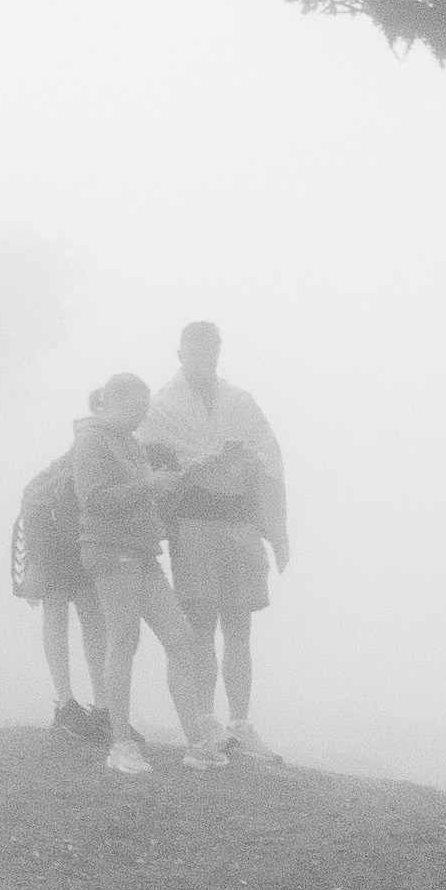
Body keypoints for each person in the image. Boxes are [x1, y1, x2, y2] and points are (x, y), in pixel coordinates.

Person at [143, 316, 287, 762]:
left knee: (240, 625)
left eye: (212, 352)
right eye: (196, 351)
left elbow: (269, 459)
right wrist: (198, 463)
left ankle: (240, 722)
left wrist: (278, 530)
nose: (204, 360)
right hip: (194, 522)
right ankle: (205, 723)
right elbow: (154, 463)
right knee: (200, 627)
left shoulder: (241, 402)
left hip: (241, 522)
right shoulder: (162, 405)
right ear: (181, 353)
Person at [63, 373, 216, 773]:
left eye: (144, 410)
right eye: (136, 409)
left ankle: (196, 742)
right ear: (112, 402)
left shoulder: (129, 442)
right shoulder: (91, 440)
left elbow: (140, 493)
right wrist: (149, 485)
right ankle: (121, 744)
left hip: (142, 552)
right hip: (110, 552)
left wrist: (170, 485)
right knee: (125, 639)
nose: (141, 416)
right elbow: (92, 499)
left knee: (180, 638)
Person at [5, 438, 106, 745]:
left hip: (65, 536)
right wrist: (40, 567)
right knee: (71, 612)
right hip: (52, 538)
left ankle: (91, 706)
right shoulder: (85, 461)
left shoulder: (77, 461)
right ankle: (72, 705)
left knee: (82, 615)